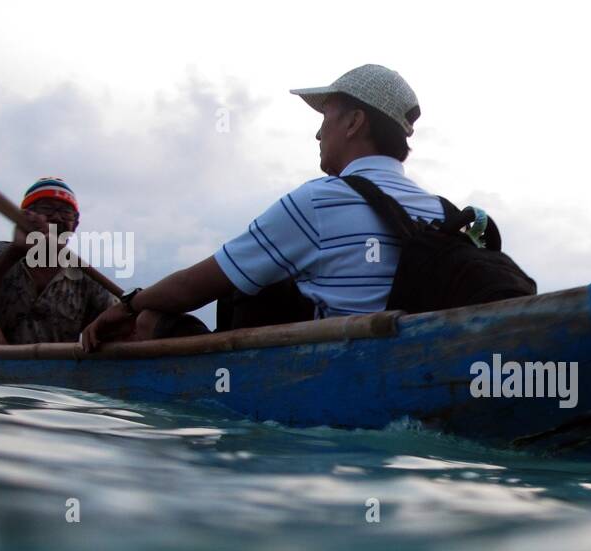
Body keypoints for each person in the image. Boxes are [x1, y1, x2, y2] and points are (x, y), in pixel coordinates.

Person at [81, 64, 442, 350]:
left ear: (353, 122)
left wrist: (127, 306)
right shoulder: (441, 212)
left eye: (325, 117)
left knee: (151, 317)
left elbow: (193, 287)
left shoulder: (319, 202)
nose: (318, 134)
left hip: (335, 371)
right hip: (409, 360)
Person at [0, 178, 119, 344]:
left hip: (56, 371)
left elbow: (117, 321)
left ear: (75, 224)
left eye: (66, 213)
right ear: (26, 217)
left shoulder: (83, 275)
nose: (57, 218)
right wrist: (14, 252)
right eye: (47, 209)